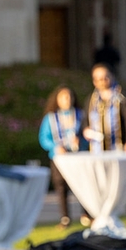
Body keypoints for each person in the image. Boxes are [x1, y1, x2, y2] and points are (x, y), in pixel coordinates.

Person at [38, 85, 86, 227]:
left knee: (82, 185)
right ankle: (65, 218)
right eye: (64, 97)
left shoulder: (80, 115)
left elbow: (87, 134)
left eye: (69, 96)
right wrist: (55, 147)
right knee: (61, 186)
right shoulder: (51, 118)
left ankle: (86, 214)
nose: (67, 100)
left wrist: (81, 141)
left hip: (77, 156)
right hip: (59, 158)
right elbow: (43, 138)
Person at [83, 64, 126, 152]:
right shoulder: (91, 99)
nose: (102, 81)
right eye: (98, 79)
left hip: (119, 145)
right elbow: (85, 119)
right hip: (97, 147)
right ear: (94, 81)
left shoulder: (122, 96)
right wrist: (86, 129)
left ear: (112, 76)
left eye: (105, 77)